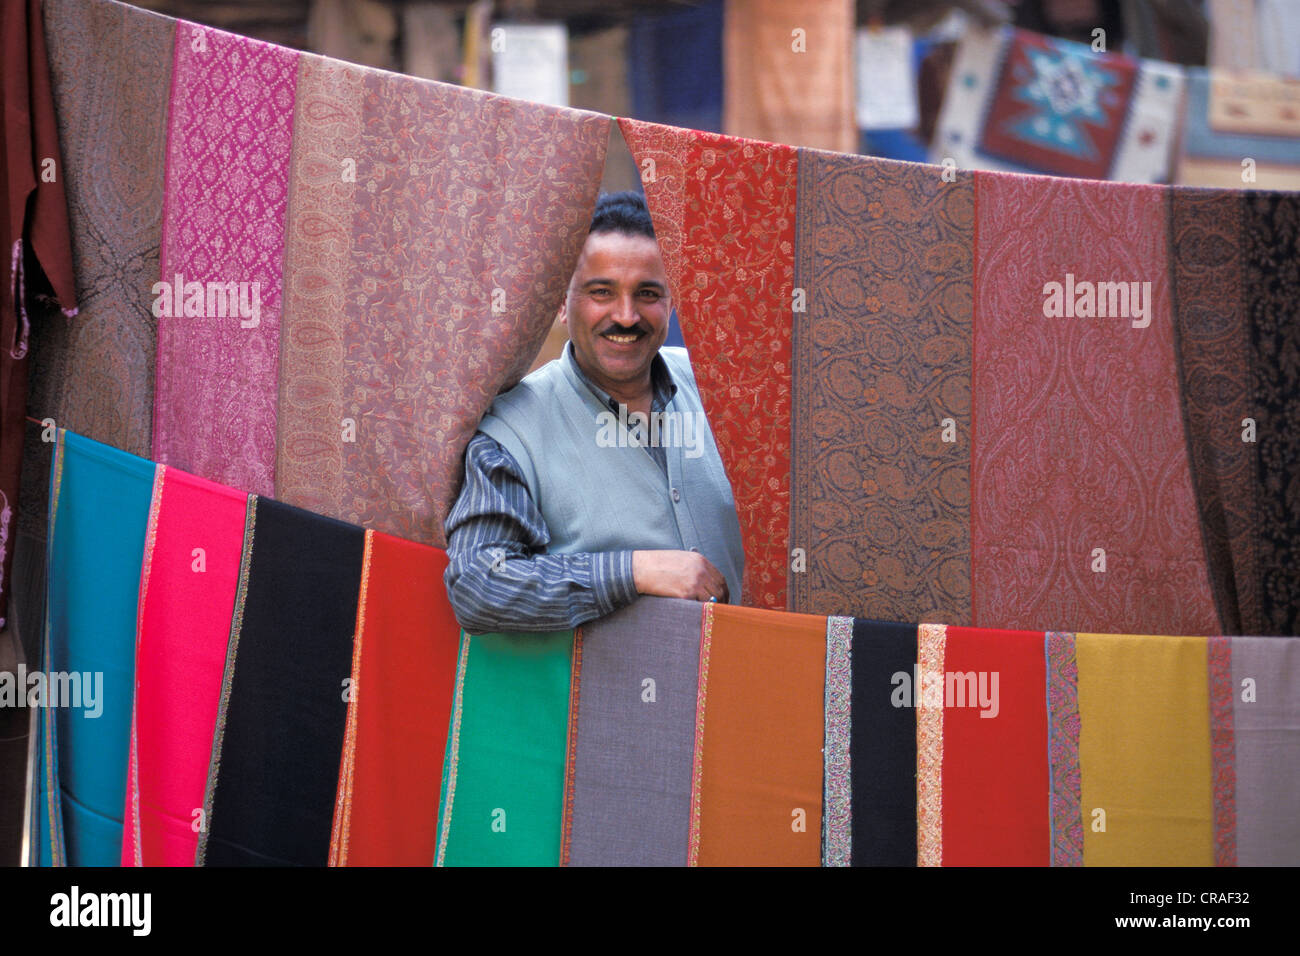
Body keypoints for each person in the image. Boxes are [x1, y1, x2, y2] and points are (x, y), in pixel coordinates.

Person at [444, 191, 744, 633]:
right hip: (603, 700)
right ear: (562, 303)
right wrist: (634, 572)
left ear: (671, 303)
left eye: (647, 293)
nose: (626, 316)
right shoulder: (512, 432)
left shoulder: (723, 393)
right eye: (601, 292)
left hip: (737, 687)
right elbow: (478, 585)